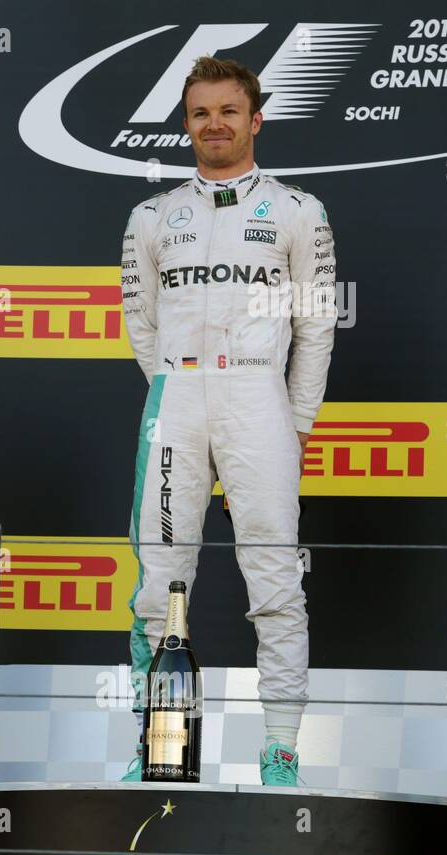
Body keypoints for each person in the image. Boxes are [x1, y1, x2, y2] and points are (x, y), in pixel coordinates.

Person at [119, 56, 337, 786]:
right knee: (160, 581)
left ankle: (280, 747)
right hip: (177, 401)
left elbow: (316, 328)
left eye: (228, 111)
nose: (214, 124)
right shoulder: (152, 216)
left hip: (258, 402)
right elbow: (141, 323)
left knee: (274, 576)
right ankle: (156, 741)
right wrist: (175, 391)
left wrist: (292, 422)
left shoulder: (299, 211)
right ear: (186, 124)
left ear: (255, 120)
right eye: (200, 113)